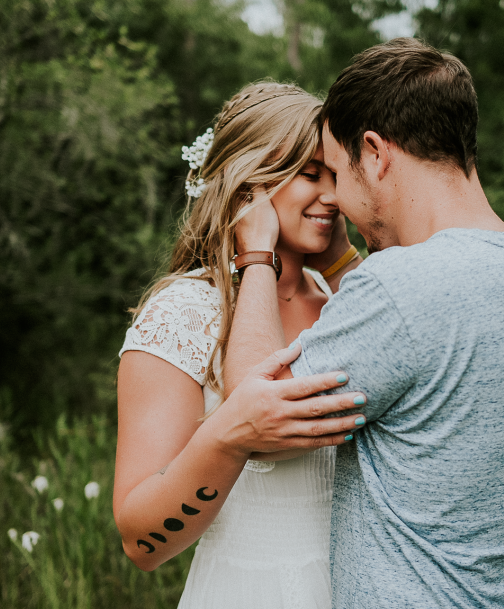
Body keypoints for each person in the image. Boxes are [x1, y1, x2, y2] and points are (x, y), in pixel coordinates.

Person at [228, 39, 504, 608]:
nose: (334, 199)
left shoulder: (401, 287)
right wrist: (345, 259)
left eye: (336, 172)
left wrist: (256, 256)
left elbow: (254, 416)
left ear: (375, 154)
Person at [112, 82, 365, 608]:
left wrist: (345, 264)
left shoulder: (340, 300)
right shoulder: (184, 312)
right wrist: (227, 439)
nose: (334, 196)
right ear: (250, 186)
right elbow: (140, 541)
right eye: (310, 174)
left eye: (337, 176)